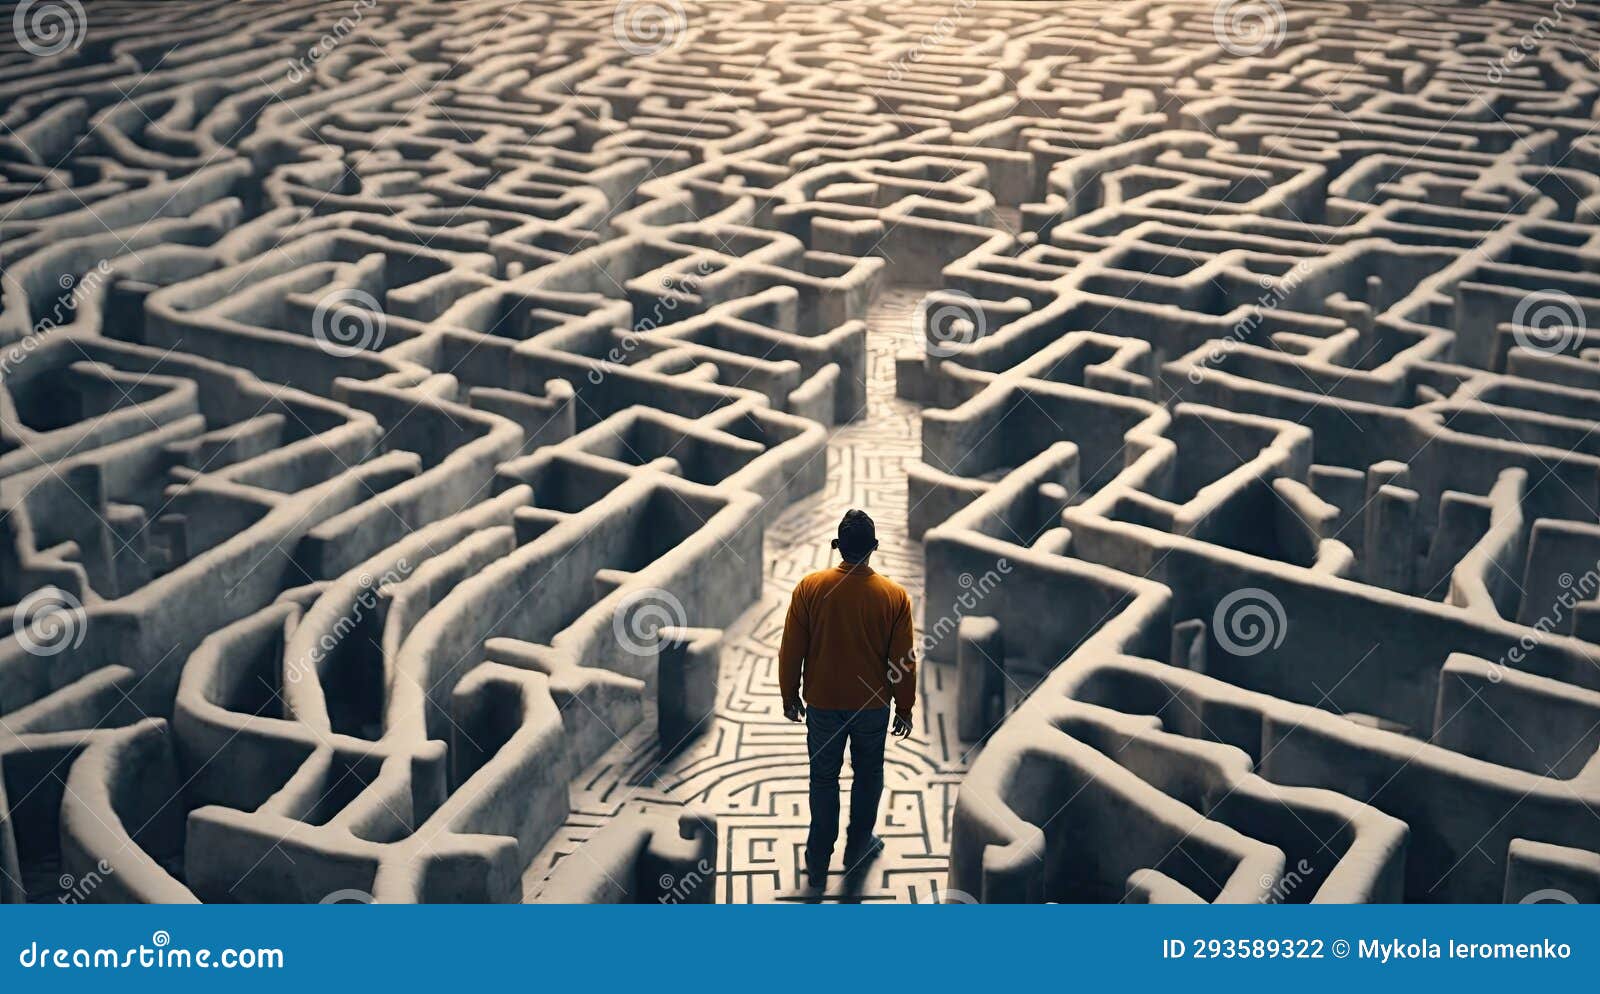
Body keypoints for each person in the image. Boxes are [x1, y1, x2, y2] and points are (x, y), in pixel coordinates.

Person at [778, 508, 916, 890]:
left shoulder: (810, 587)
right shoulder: (894, 596)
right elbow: (902, 659)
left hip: (822, 702)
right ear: (874, 547)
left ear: (838, 547)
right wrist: (904, 706)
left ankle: (818, 861)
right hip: (873, 706)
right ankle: (858, 846)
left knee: (824, 779)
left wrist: (789, 694)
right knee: (868, 775)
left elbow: (792, 649)